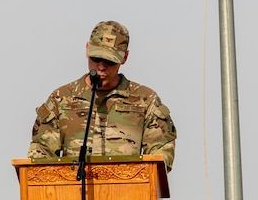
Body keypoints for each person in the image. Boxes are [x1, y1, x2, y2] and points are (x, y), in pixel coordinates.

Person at [28, 20, 176, 170]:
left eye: (109, 61)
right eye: (96, 58)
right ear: (87, 50)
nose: (101, 66)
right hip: (73, 191)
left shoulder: (146, 101)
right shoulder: (61, 99)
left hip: (128, 191)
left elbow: (161, 155)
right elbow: (41, 154)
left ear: (124, 58)